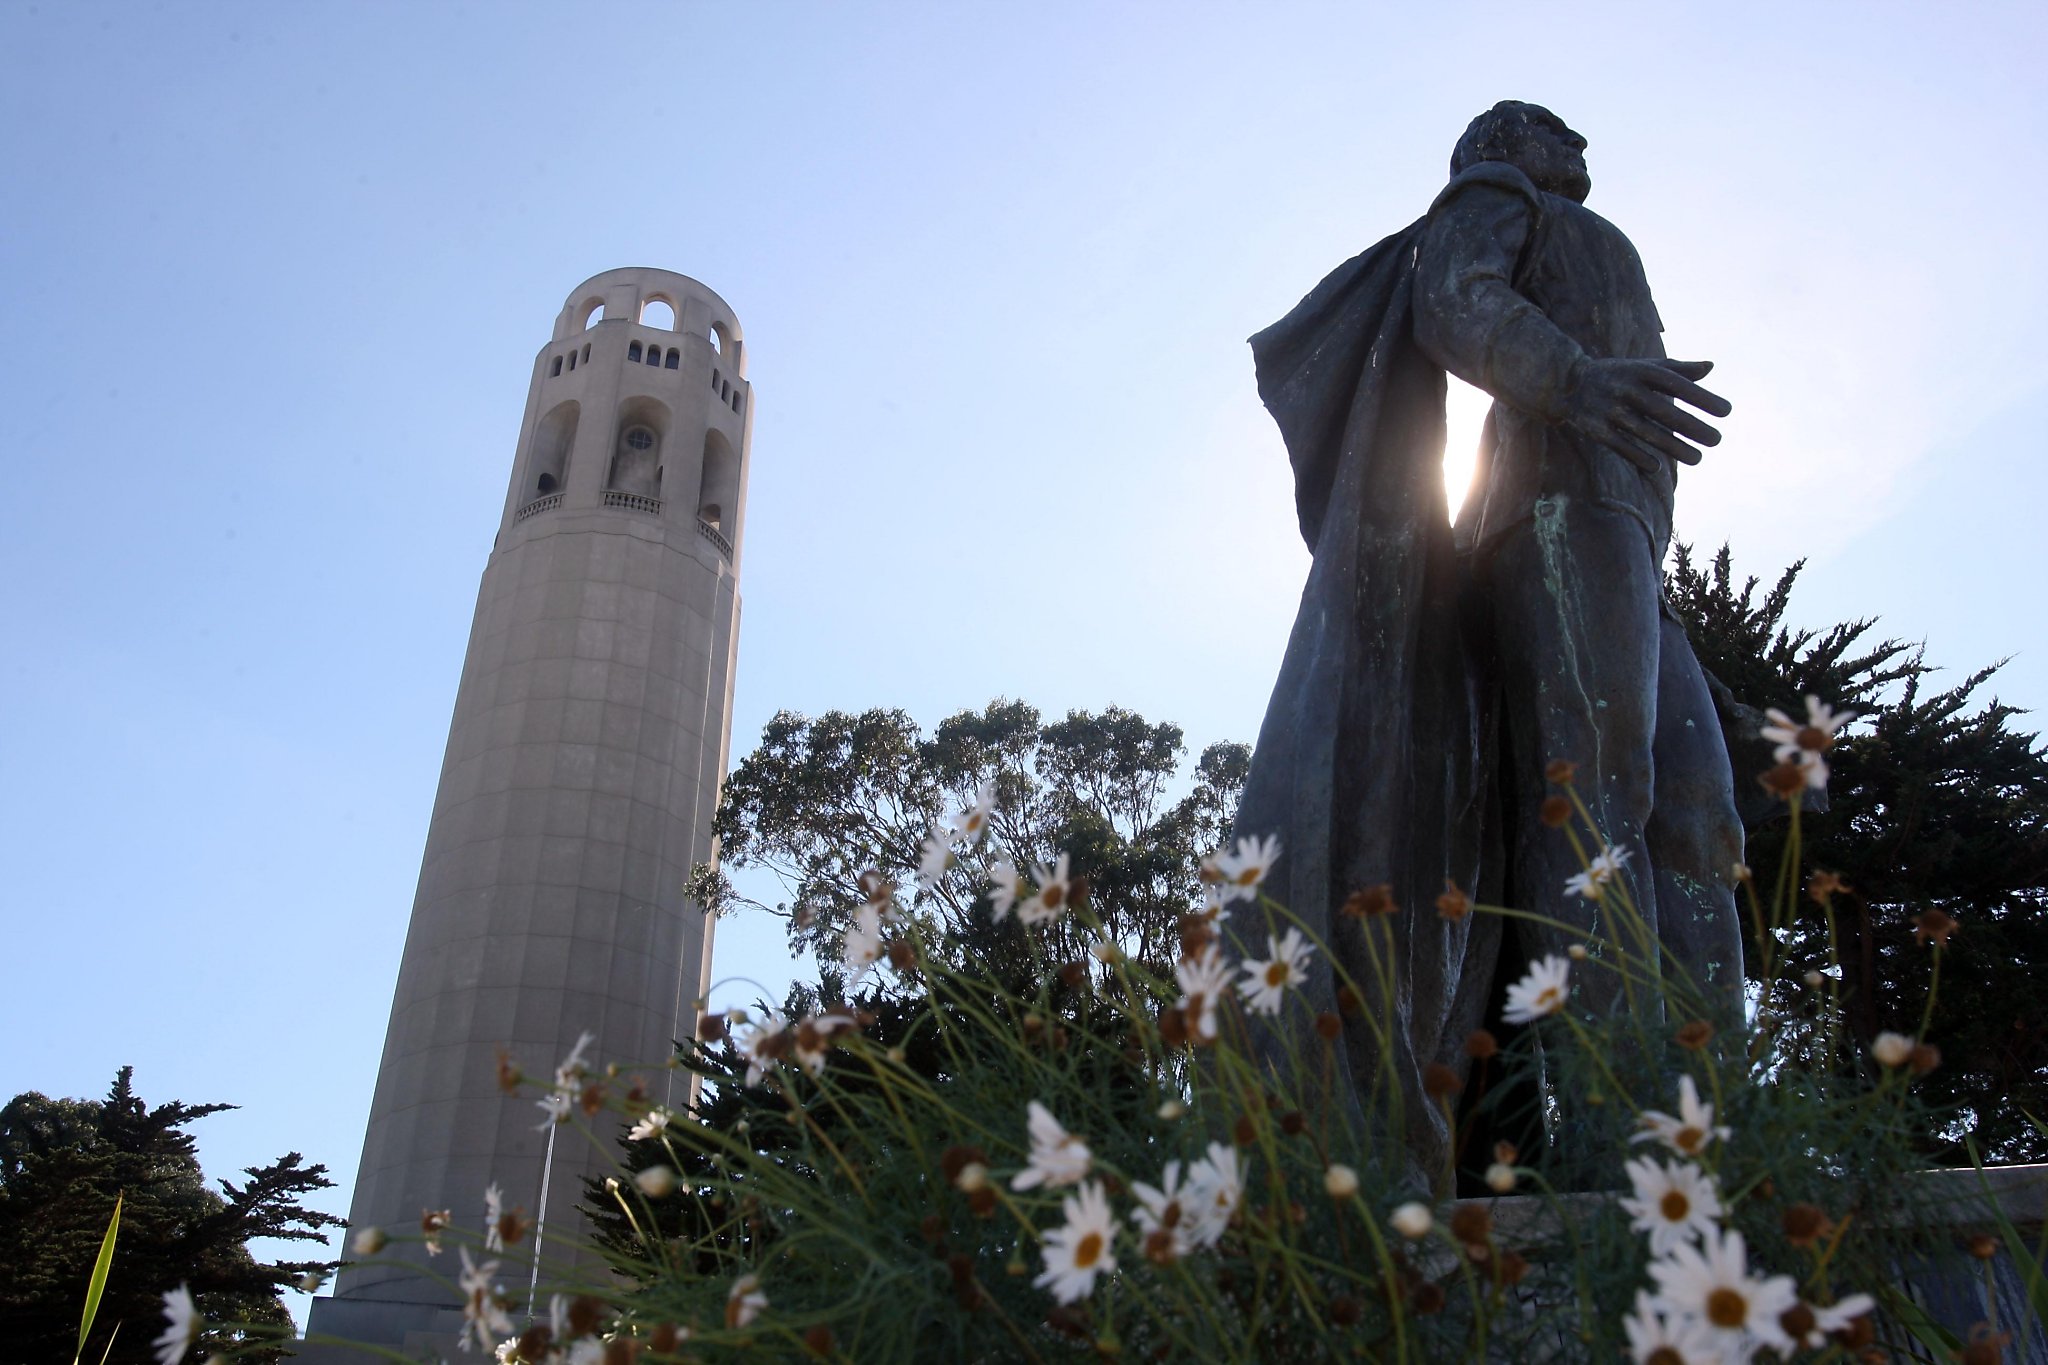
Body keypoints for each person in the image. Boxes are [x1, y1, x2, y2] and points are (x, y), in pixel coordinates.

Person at [1229, 100, 1742, 1181]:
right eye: (1559, 132)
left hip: (1623, 549)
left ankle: (1713, 1127)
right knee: (1590, 805)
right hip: (1552, 516)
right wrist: (1573, 381)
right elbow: (1454, 297)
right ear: (1503, 147)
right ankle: (1627, 1136)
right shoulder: (1496, 196)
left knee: (1700, 821)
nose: (1582, 148)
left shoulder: (1578, 230)